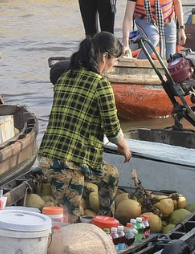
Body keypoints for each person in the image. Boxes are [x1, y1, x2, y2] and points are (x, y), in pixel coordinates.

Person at [38, 32, 133, 219]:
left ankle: (106, 221)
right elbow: (112, 129)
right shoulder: (101, 84)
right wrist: (125, 148)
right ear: (105, 56)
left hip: (50, 154)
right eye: (115, 60)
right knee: (69, 220)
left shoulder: (65, 77)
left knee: (110, 175)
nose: (114, 65)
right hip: (67, 163)